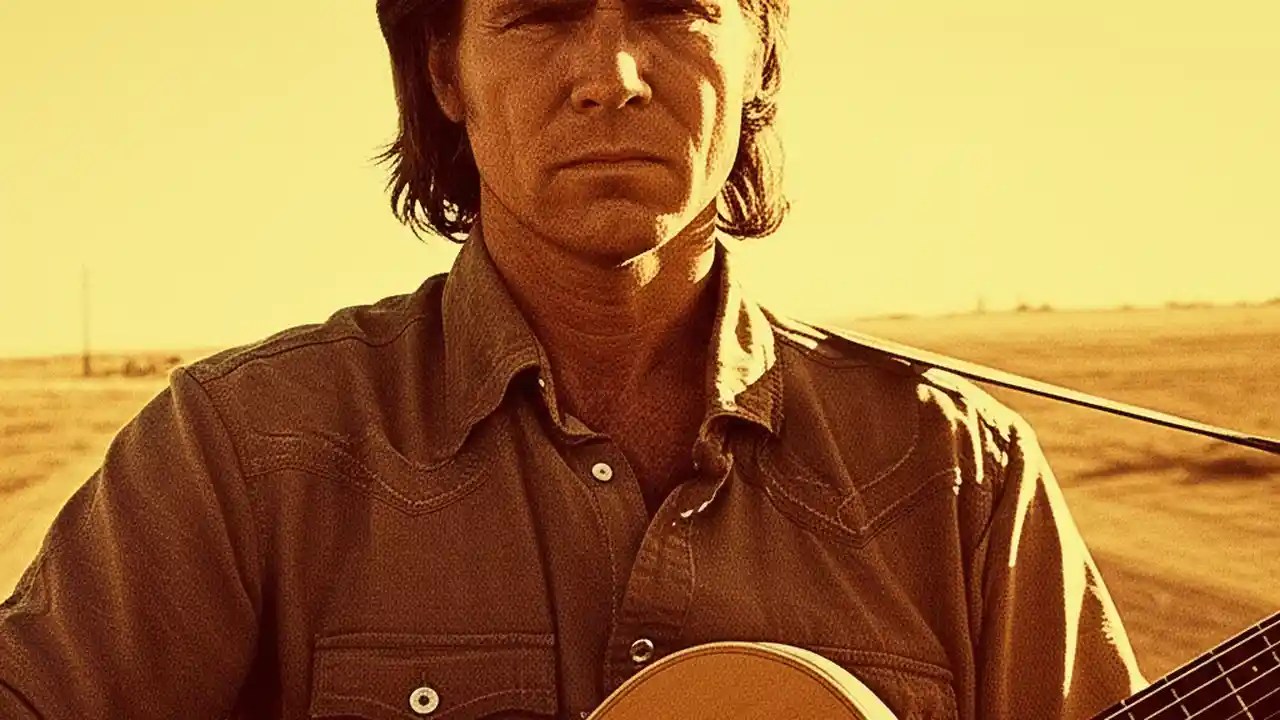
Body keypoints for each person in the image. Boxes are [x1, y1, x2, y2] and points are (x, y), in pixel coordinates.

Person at [0, 1, 1148, 718]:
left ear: (756, 59)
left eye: (669, 8)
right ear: (444, 74)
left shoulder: (957, 476)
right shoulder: (248, 449)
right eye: (543, 14)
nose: (612, 74)